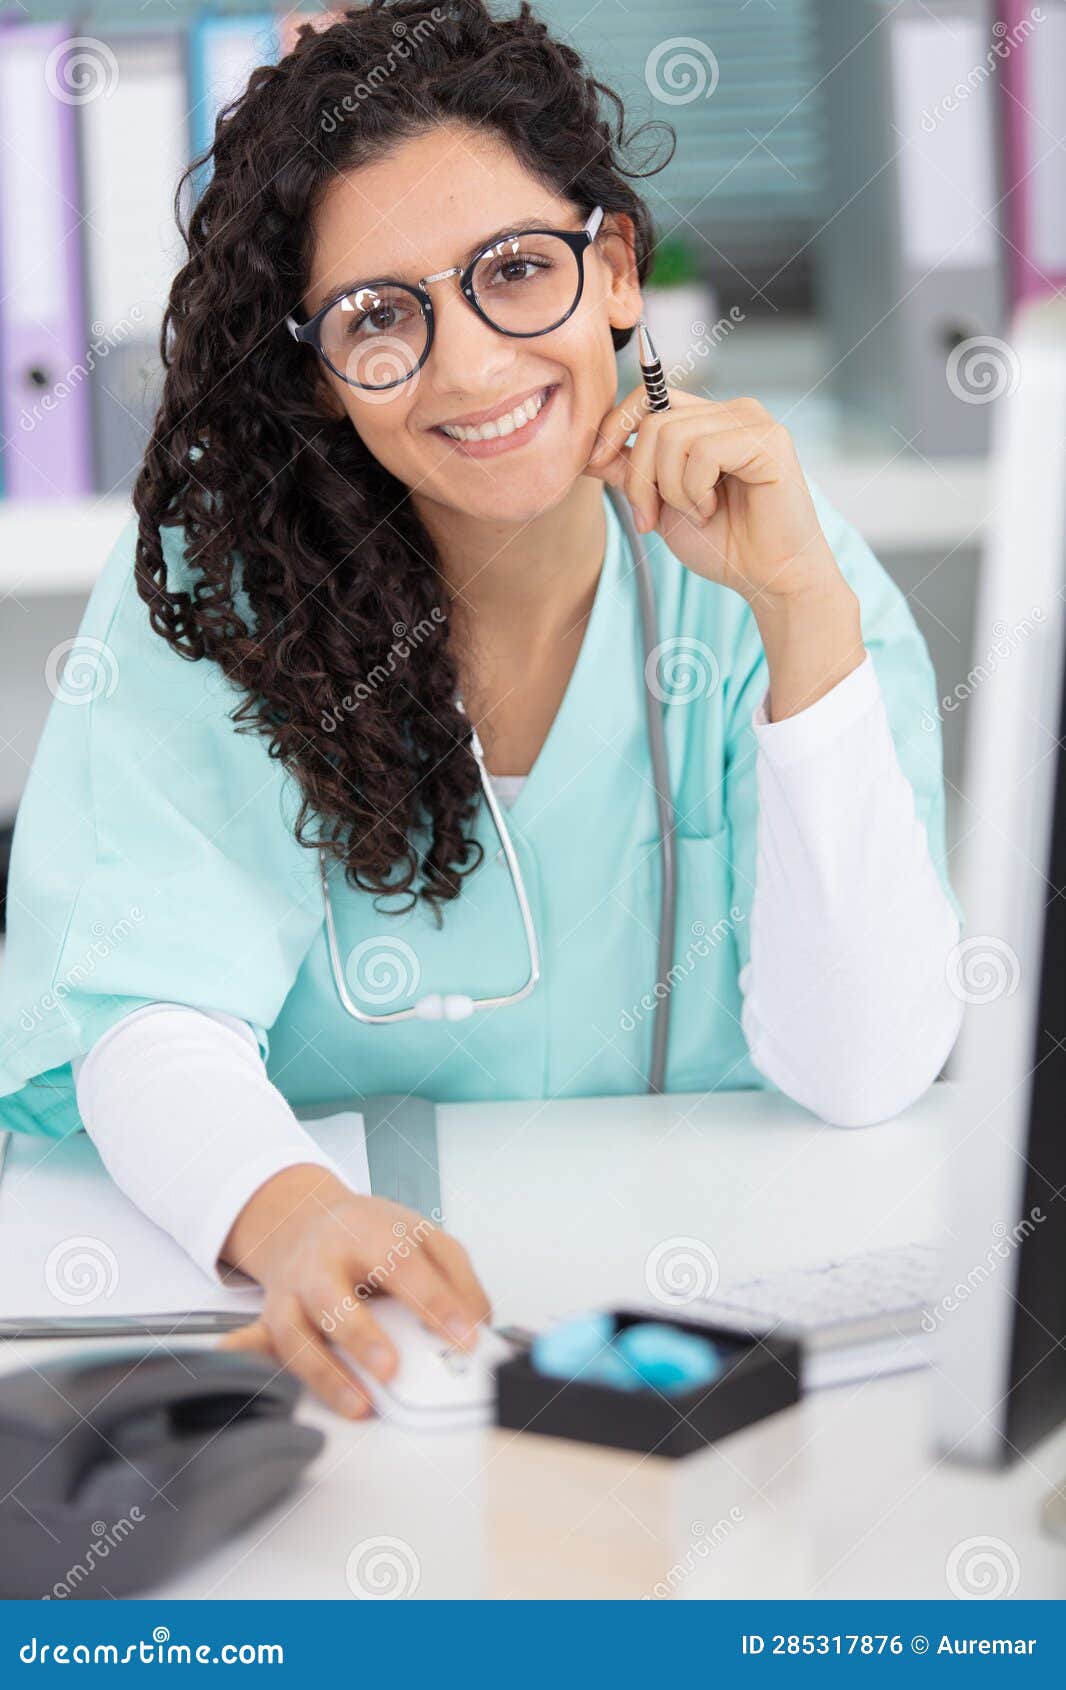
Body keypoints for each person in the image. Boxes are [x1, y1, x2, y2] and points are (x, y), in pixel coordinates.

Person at [0, 0, 962, 1418]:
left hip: (682, 1310)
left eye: (516, 271)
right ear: (323, 376)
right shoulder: (218, 598)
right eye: (378, 315)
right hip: (364, 1344)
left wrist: (802, 624)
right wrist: (289, 1213)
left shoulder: (776, 566)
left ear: (615, 269)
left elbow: (866, 1070)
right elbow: (151, 1017)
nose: (466, 366)